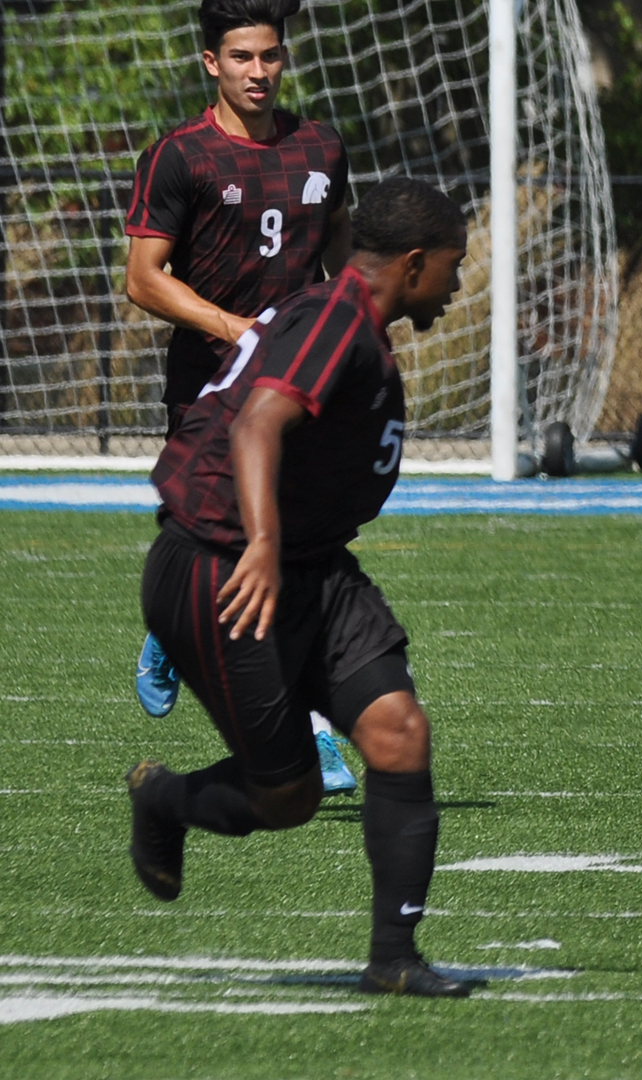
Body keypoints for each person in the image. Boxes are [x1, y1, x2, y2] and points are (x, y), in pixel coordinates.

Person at [126, 176, 475, 997]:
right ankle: (165, 801)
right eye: (454, 266)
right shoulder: (334, 316)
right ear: (414, 263)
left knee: (399, 734)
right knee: (287, 797)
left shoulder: (354, 325)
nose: (459, 283)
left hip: (312, 567)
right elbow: (258, 421)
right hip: (223, 565)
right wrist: (265, 544)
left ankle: (394, 959)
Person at [124, 0, 357, 798]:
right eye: (242, 58)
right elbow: (144, 278)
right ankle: (168, 631)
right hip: (207, 389)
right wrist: (234, 328)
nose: (259, 72)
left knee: (292, 548)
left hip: (295, 387)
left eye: (271, 56)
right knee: (225, 544)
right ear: (210, 64)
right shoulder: (178, 156)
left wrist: (352, 332)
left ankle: (314, 730)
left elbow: (343, 255)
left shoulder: (321, 144)